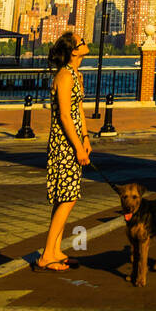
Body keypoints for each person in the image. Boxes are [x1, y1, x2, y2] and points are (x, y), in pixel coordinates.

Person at [34, 30, 91, 271]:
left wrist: (86, 137)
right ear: (74, 51)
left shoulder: (77, 75)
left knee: (65, 197)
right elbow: (65, 115)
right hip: (64, 142)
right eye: (82, 41)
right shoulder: (64, 77)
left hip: (76, 139)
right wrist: (77, 147)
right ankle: (47, 255)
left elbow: (79, 109)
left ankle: (55, 249)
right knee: (68, 197)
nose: (86, 43)